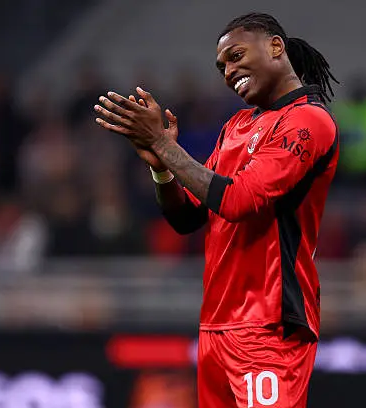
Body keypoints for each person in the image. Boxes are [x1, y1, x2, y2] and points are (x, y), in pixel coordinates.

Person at [94, 12, 339, 408]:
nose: (228, 72)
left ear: (275, 46)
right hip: (215, 327)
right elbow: (187, 217)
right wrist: (161, 165)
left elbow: (239, 200)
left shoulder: (309, 121)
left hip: (269, 325)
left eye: (236, 56)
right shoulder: (237, 126)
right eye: (222, 66)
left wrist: (165, 146)